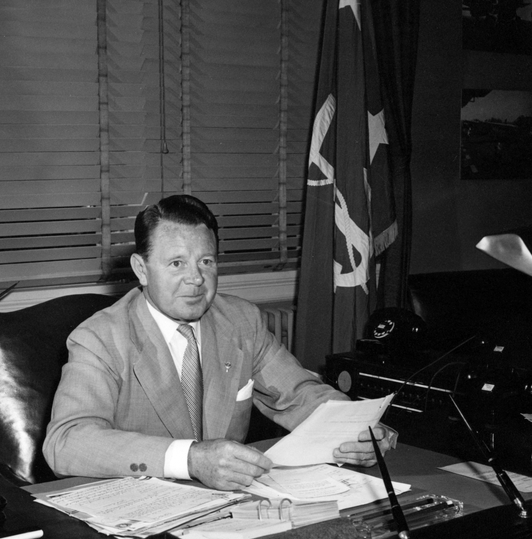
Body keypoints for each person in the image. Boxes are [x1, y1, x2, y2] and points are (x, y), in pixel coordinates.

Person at [42, 194, 395, 491]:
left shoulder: (241, 322)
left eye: (206, 261)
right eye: (177, 263)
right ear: (141, 268)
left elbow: (301, 395)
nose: (196, 278)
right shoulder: (100, 338)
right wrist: (191, 459)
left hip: (229, 506)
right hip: (139, 511)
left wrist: (358, 427)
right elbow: (67, 442)